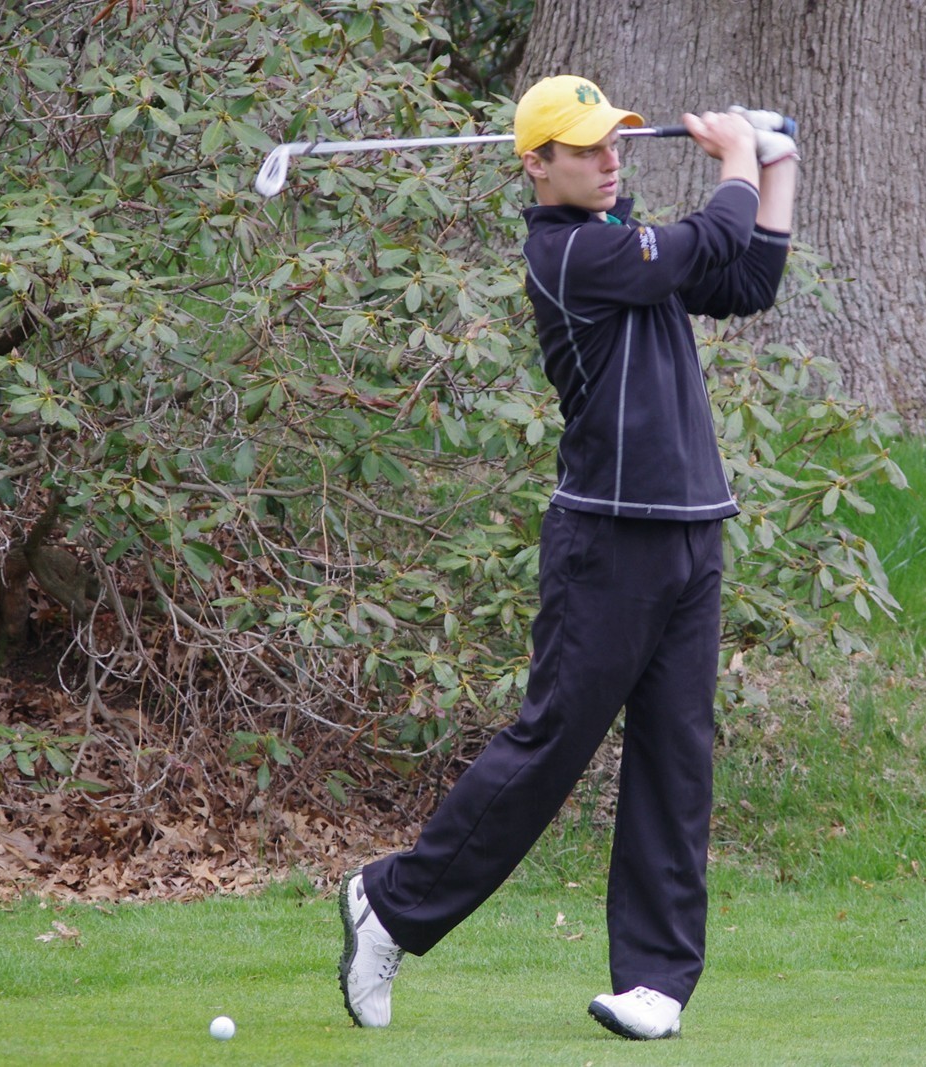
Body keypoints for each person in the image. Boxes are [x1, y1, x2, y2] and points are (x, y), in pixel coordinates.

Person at [338, 74, 799, 1041]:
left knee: (678, 759)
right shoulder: (573, 255)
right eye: (585, 146)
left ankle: (656, 982)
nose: (608, 156)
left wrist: (777, 166)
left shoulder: (630, 246)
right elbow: (708, 235)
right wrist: (736, 158)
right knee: (550, 748)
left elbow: (747, 275)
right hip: (606, 540)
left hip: (689, 529)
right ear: (537, 164)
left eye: (613, 141)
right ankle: (390, 905)